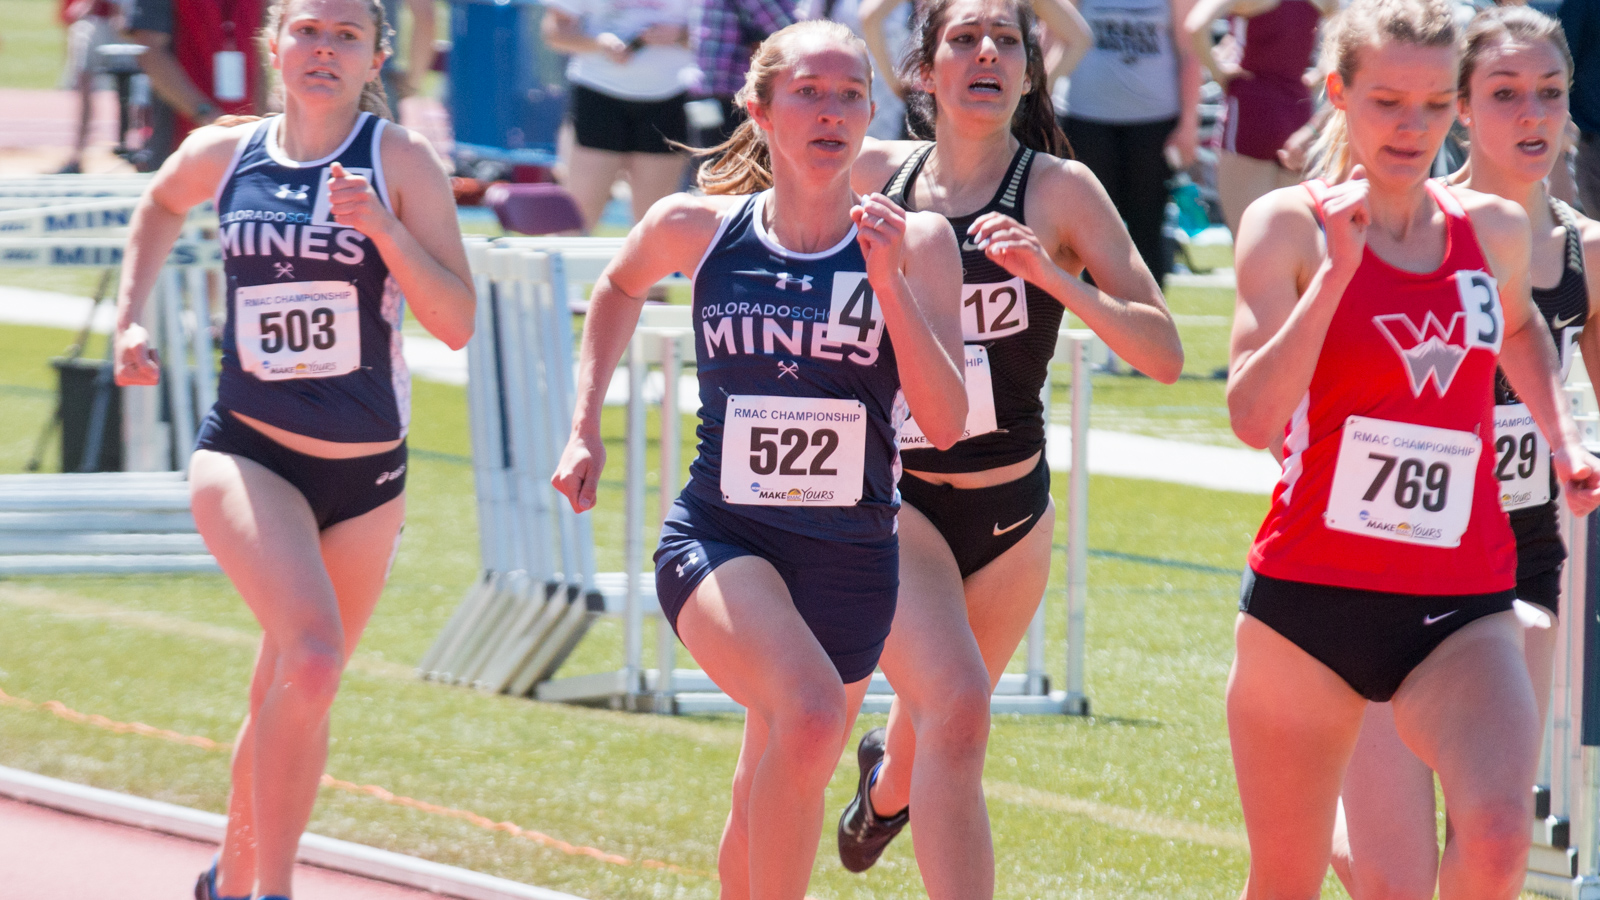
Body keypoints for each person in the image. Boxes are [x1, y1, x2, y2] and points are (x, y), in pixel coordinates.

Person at [552, 20, 967, 899]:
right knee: (814, 720)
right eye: (808, 92)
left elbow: (946, 419)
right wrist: (582, 425)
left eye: (851, 94)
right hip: (721, 536)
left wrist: (888, 283)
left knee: (774, 773)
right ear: (760, 109)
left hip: (854, 557)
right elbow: (618, 285)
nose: (831, 112)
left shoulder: (916, 243)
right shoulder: (696, 227)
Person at [1224, 0, 1600, 894]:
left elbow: (1519, 333)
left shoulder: (1493, 230)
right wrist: (1335, 284)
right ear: (1339, 93)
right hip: (1308, 602)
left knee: (1504, 834)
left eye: (1434, 105)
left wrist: (1563, 438)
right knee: (1294, 875)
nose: (1412, 127)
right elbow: (1250, 416)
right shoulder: (1288, 225)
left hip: (1464, 597)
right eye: (1389, 101)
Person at [110, 1, 475, 898]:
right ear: (277, 46)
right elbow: (157, 204)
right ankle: (268, 891)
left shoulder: (400, 162)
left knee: (294, 682)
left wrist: (385, 230)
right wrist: (130, 316)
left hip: (369, 474)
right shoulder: (226, 152)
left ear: (376, 58)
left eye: (347, 36)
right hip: (248, 451)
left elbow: (458, 323)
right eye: (308, 30)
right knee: (310, 658)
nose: (324, 49)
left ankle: (226, 881)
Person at [836, 0, 1182, 896]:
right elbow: (758, 231)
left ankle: (880, 791)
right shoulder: (874, 176)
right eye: (963, 39)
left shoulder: (1060, 190)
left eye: (1007, 41)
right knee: (958, 713)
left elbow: (1164, 353)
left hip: (1012, 514)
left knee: (934, 730)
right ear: (925, 70)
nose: (986, 53)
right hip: (899, 500)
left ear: (1032, 70)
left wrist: (1052, 276)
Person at [1058, 0, 1202, 284]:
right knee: (1091, 232)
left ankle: (1149, 319)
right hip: (1087, 119)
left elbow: (1189, 51)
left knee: (1148, 228)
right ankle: (1103, 319)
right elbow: (1053, 34)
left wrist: (1189, 125)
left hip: (1155, 123)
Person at [541, 0, 699, 231]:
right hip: (597, 93)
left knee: (655, 224)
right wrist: (599, 44)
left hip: (669, 96)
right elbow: (555, 33)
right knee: (576, 219)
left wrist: (679, 35)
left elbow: (722, 33)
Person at [1182, 0, 1335, 234]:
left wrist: (1220, 74)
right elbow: (1342, 35)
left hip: (1251, 109)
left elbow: (1195, 26)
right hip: (1298, 112)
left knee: (1249, 242)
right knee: (1291, 243)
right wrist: (1316, 79)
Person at [123, 0, 267, 171]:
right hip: (181, 138)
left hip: (245, 137)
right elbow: (149, 51)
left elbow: (263, 48)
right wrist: (207, 114)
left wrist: (261, 121)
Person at [690, 0, 796, 145]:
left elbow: (790, 32)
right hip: (722, 95)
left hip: (726, 94)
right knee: (719, 160)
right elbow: (791, 32)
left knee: (724, 160)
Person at [58, 0, 125, 174]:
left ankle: (138, 149)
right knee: (85, 88)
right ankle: (78, 154)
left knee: (133, 85)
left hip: (116, 19)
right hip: (95, 20)